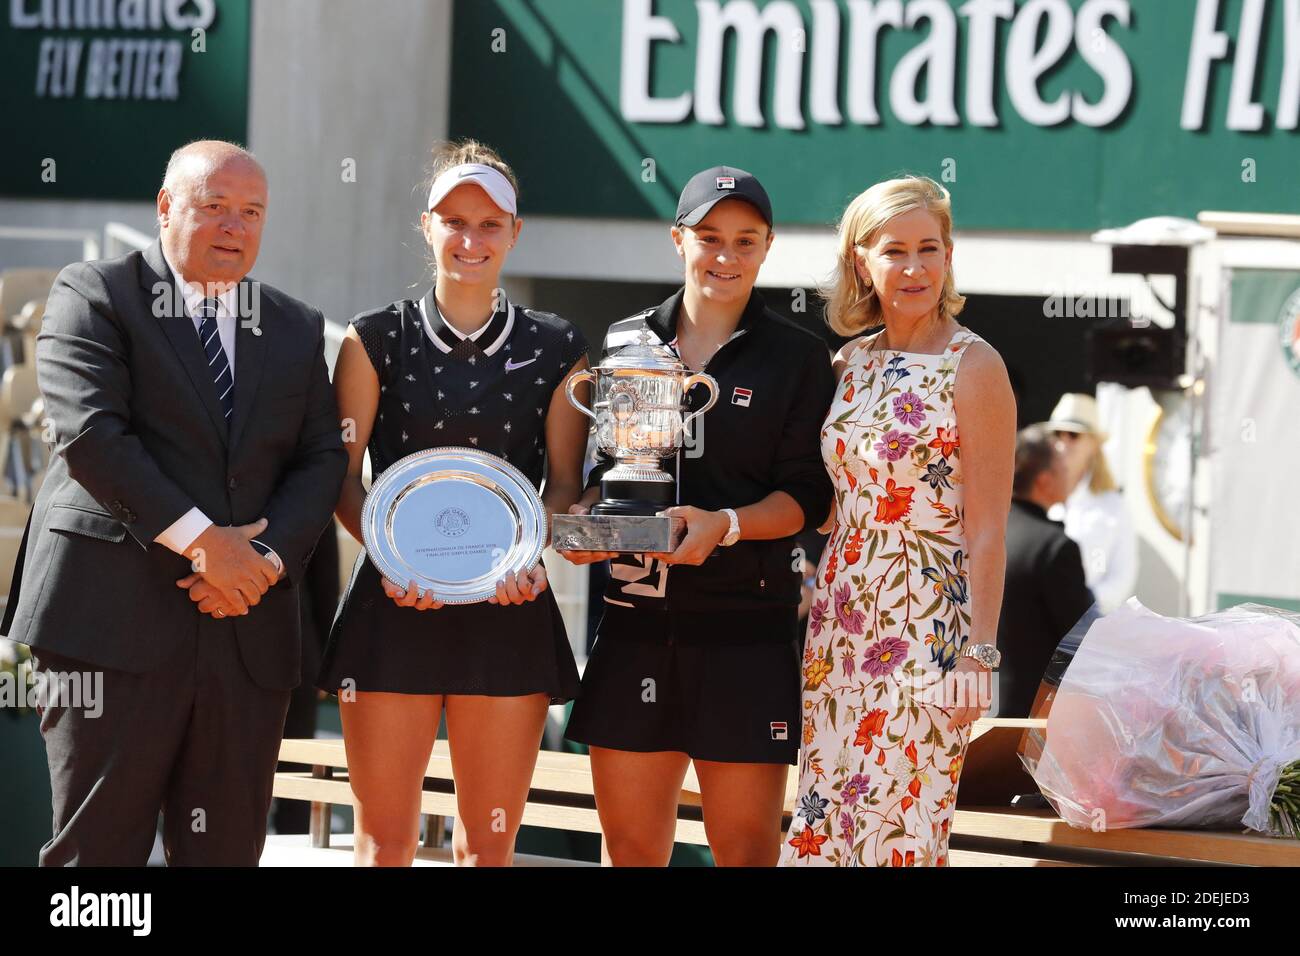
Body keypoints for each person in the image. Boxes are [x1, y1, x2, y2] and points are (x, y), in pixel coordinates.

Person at [0, 140, 347, 865]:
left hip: (246, 629)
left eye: (251, 212)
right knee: (97, 860)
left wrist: (261, 560)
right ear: (165, 207)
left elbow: (322, 458)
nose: (234, 226)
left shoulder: (293, 325)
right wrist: (208, 546)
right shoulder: (94, 293)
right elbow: (92, 435)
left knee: (226, 853)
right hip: (108, 628)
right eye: (213, 206)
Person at [318, 141, 590, 867]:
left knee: (488, 848)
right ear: (427, 226)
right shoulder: (373, 337)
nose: (472, 239)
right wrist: (395, 558)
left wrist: (524, 557)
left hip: (507, 607)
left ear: (515, 232)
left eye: (490, 223)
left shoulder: (559, 345)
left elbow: (564, 484)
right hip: (392, 604)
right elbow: (342, 476)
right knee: (383, 844)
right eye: (454, 221)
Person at [561, 166, 836, 867]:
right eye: (709, 236)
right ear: (678, 239)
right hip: (634, 628)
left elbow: (808, 496)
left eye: (745, 240)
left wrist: (727, 525)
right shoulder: (626, 340)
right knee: (631, 850)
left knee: (744, 852)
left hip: (746, 633)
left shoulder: (799, 356)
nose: (726, 255)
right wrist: (588, 523)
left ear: (767, 247)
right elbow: (611, 472)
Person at [781, 175, 1016, 867]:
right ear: (862, 262)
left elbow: (988, 528)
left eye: (928, 249)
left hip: (928, 623)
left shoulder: (974, 365)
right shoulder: (848, 363)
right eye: (894, 251)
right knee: (826, 810)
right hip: (841, 616)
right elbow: (830, 500)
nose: (914, 268)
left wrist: (980, 654)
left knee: (899, 821)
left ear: (949, 255)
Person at [998, 425, 1096, 718]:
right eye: (1063, 468)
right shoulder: (1054, 546)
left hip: (976, 705)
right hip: (1032, 718)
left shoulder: (988, 534)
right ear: (1044, 480)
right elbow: (1082, 641)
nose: (1070, 475)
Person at [1045, 392, 1137, 614]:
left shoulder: (1114, 507)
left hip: (1086, 621)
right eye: (1057, 433)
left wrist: (1082, 603)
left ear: (1093, 444)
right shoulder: (1037, 495)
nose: (1063, 442)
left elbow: (1122, 576)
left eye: (1073, 434)